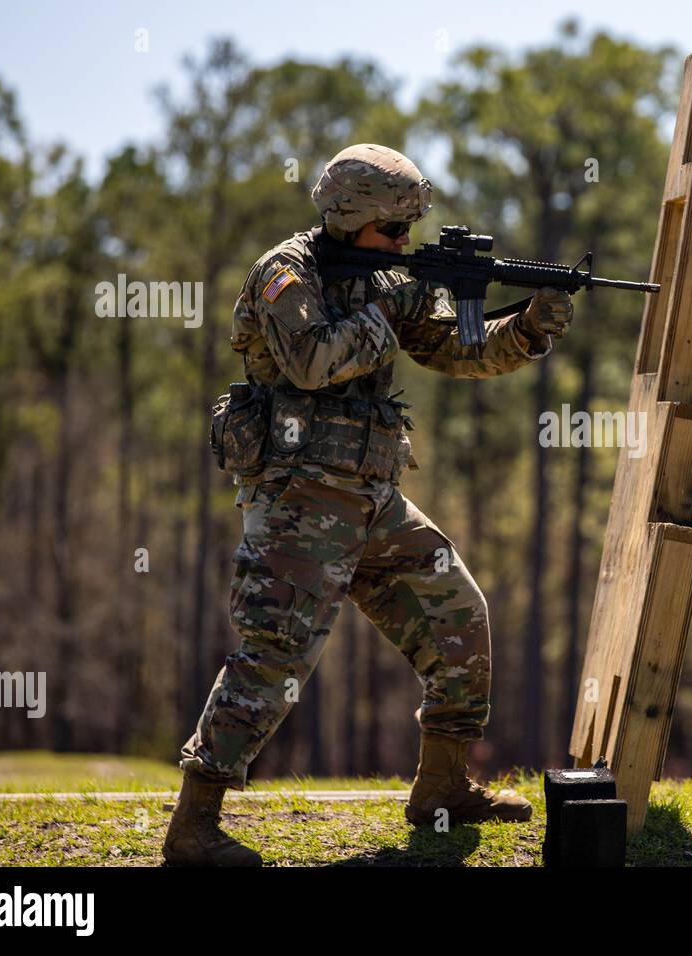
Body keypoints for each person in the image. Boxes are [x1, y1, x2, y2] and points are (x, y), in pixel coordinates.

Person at [163, 143, 573, 866]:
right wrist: (389, 302)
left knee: (460, 617)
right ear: (351, 217)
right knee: (274, 658)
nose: (405, 243)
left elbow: (456, 350)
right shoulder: (285, 273)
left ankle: (441, 790)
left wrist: (530, 327)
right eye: (394, 230)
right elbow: (311, 363)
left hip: (374, 501)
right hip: (299, 501)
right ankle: (194, 824)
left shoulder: (389, 271)